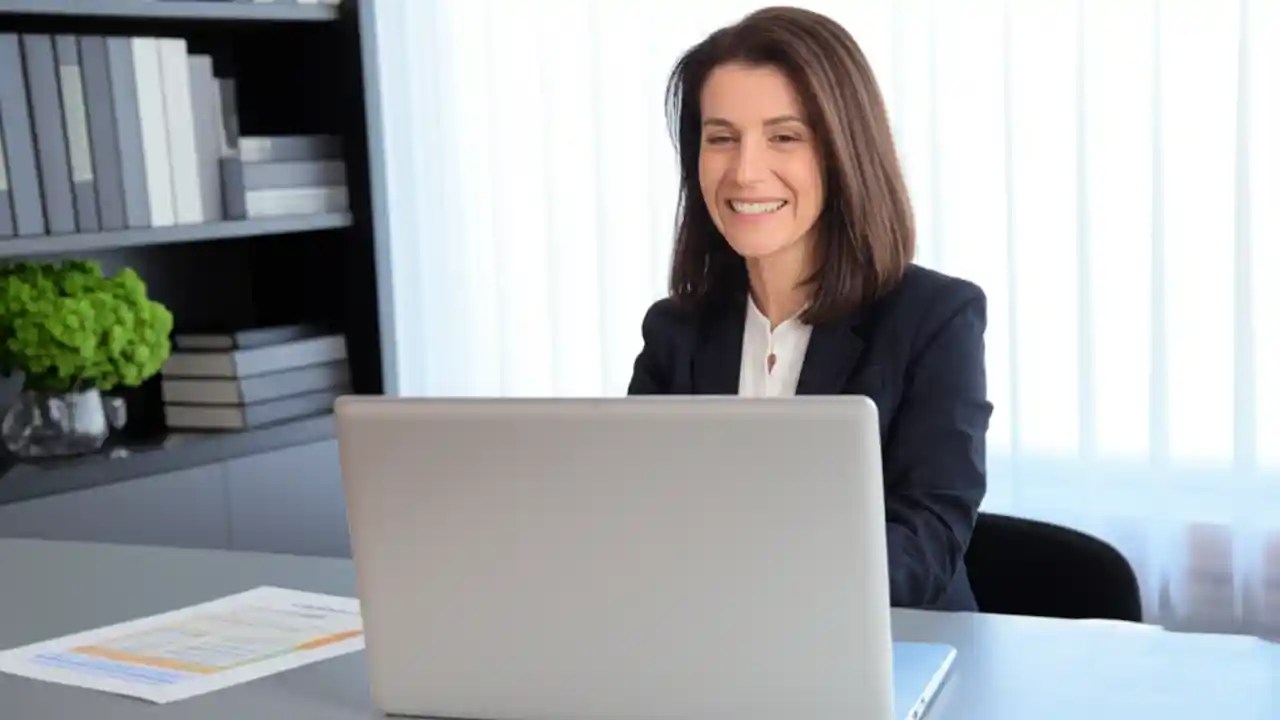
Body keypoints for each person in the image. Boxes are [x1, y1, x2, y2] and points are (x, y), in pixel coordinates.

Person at [628, 6, 993, 612]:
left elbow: (925, 540)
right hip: (715, 657)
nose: (745, 172)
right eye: (721, 138)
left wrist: (758, 591)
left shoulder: (935, 318)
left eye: (784, 137)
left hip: (892, 652)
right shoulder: (675, 332)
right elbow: (636, 521)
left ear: (842, 153)